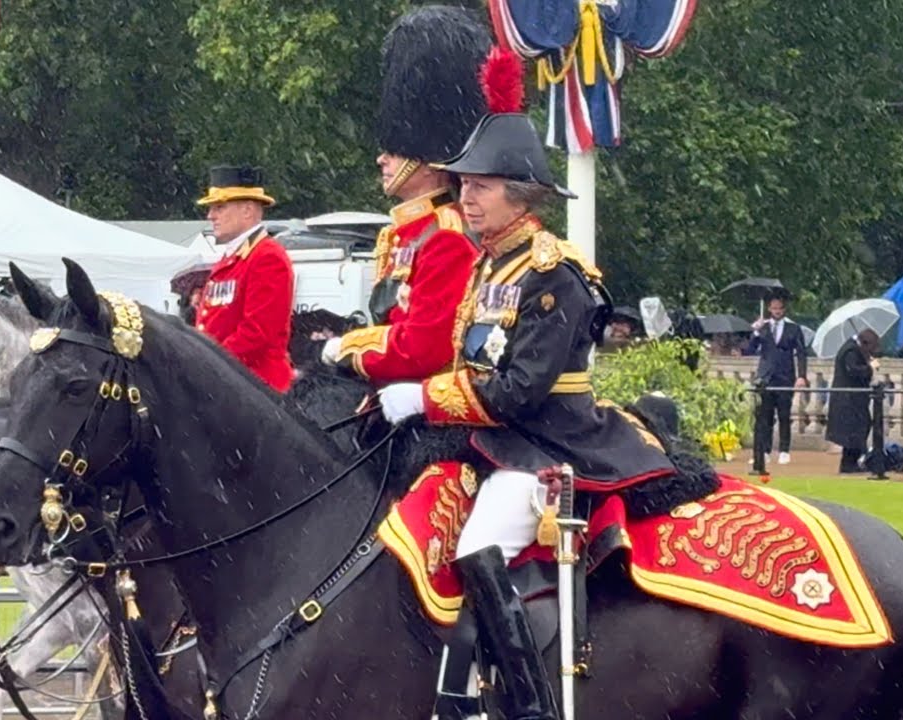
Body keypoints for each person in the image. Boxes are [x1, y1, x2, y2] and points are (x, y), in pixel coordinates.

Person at [376, 47, 678, 720]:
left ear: (519, 194)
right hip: (490, 442)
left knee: (478, 545)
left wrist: (422, 397)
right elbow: (471, 365)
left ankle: (506, 703)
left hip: (549, 446)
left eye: (480, 186)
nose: (466, 196)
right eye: (464, 184)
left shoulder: (552, 274)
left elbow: (518, 391)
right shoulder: (490, 268)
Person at [319, 6, 486, 383]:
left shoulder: (447, 236)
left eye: (394, 150)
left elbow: (422, 350)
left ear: (429, 160)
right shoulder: (399, 235)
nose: (382, 159)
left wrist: (347, 348)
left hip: (427, 398)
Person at [194, 165, 296, 392]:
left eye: (219, 207)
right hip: (229, 383)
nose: (211, 216)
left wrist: (207, 362)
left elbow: (256, 333)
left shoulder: (267, 257)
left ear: (248, 210)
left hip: (256, 389)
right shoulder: (234, 257)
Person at [747, 294, 808, 465]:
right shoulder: (763, 327)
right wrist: (756, 331)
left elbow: (802, 353)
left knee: (784, 415)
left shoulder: (793, 328)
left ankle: (784, 450)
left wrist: (802, 375)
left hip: (785, 376)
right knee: (764, 416)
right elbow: (750, 349)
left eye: (780, 308)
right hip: (766, 377)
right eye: (774, 308)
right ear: (769, 309)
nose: (777, 311)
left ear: (784, 309)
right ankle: (764, 450)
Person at [826, 329, 880, 473]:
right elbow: (854, 371)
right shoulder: (850, 351)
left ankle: (850, 462)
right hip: (847, 399)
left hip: (853, 399)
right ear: (864, 343)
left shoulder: (854, 349)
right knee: (853, 430)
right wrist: (870, 368)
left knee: (858, 429)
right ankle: (848, 464)